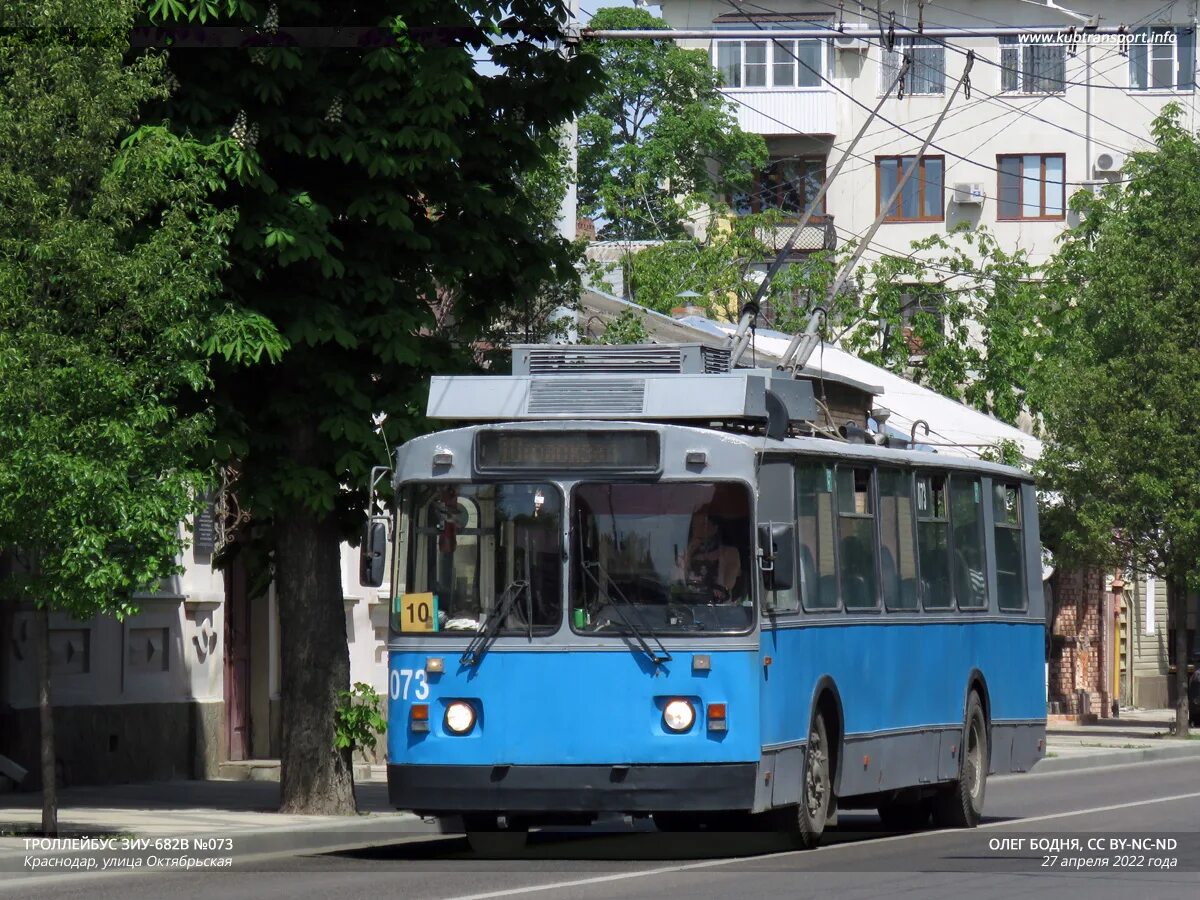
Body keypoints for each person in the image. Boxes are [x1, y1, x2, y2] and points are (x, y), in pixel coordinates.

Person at [676, 506, 741, 602]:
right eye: (694, 525)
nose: (697, 529)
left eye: (702, 524)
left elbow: (727, 585)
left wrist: (721, 563)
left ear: (715, 526)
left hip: (718, 605)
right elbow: (677, 582)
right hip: (688, 604)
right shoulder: (686, 552)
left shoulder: (729, 553)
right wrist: (689, 553)